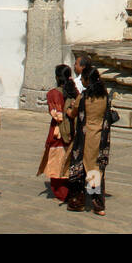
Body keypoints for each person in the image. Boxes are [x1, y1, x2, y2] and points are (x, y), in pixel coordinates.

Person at [65, 66, 115, 215]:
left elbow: (74, 114)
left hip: (86, 137)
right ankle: (98, 205)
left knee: (81, 168)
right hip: (100, 138)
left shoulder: (84, 97)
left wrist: (68, 109)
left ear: (88, 80)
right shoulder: (105, 96)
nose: (82, 81)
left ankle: (78, 202)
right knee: (96, 169)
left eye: (84, 79)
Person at [37, 64, 77, 202]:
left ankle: (61, 191)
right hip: (72, 130)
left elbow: (56, 114)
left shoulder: (53, 93)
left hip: (58, 131)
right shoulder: (74, 91)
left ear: (56, 77)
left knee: (55, 160)